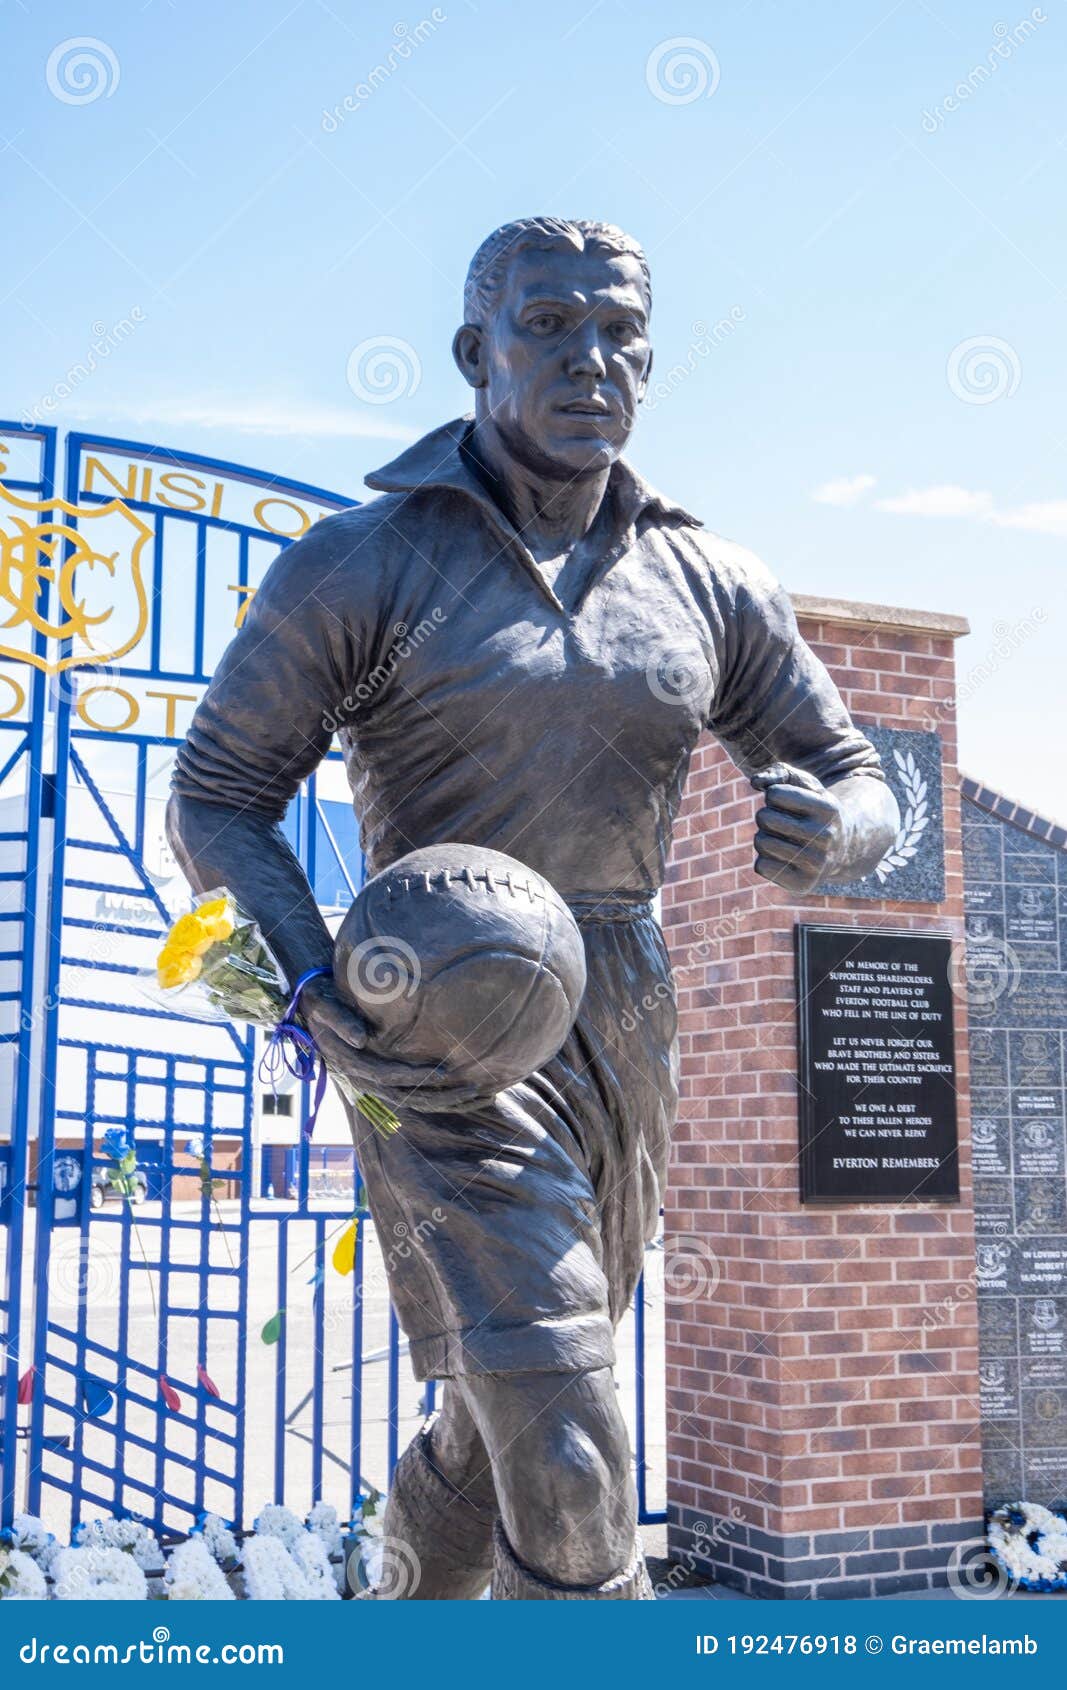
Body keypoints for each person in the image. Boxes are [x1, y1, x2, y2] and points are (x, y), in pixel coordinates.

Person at [167, 217, 899, 1601]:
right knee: (568, 1450)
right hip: (437, 1026)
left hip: (622, 1013)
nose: (590, 360)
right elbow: (218, 792)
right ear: (475, 352)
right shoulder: (364, 560)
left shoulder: (708, 580)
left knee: (496, 1409)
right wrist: (313, 985)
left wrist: (839, 827)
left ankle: (411, 1618)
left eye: (620, 333)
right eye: (550, 325)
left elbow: (859, 776)